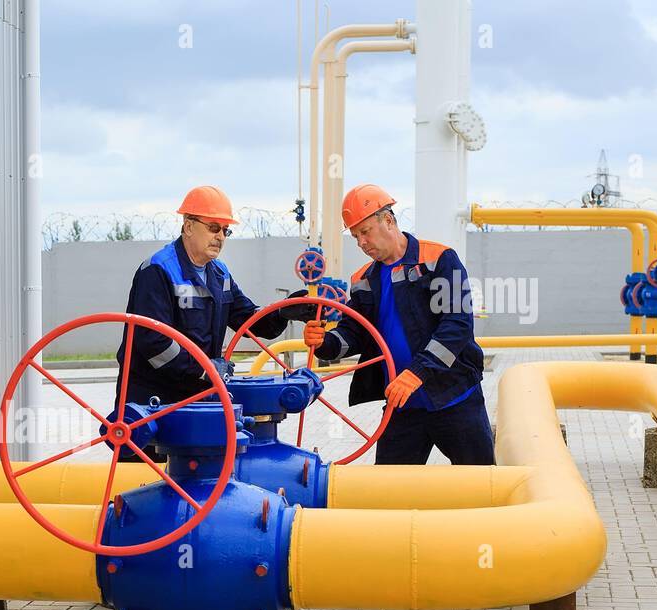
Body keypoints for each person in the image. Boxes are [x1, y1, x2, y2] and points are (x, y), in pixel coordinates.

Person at [114, 186, 317, 460]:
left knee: (196, 482)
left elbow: (248, 319)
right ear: (188, 226)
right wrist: (204, 368)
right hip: (152, 405)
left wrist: (284, 312)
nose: (220, 237)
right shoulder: (159, 270)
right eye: (213, 227)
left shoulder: (219, 274)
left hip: (197, 403)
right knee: (146, 486)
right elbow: (154, 344)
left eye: (225, 230)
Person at [304, 184, 495, 465]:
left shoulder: (438, 260)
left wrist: (417, 373)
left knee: (482, 485)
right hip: (403, 405)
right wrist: (325, 342)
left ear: (389, 221)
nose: (361, 243)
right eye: (356, 236)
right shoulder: (363, 279)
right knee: (388, 493)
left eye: (365, 232)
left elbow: (457, 325)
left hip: (454, 399)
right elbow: (354, 333)